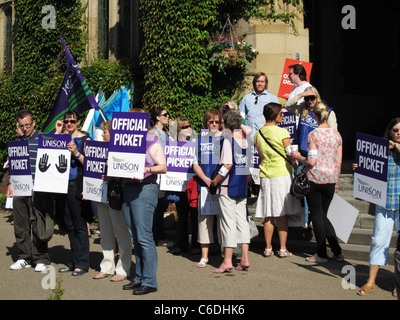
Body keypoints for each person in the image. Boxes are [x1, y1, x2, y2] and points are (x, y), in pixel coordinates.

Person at [352, 118, 400, 296]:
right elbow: (368, 175)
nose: (398, 133)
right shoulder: (380, 152)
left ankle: (398, 284)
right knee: (378, 241)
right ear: (389, 131)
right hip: (384, 204)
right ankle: (370, 281)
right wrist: (360, 168)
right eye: (395, 130)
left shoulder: (395, 149)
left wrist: (394, 146)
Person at [291, 102, 344, 263]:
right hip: (330, 178)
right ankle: (337, 251)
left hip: (315, 178)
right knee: (324, 216)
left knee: (317, 216)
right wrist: (336, 181)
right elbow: (339, 162)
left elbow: (312, 161)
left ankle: (322, 253)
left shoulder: (313, 135)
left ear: (314, 116)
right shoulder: (337, 135)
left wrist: (298, 156)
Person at [122, 108, 167, 295]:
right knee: (135, 238)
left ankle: (150, 280)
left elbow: (163, 167)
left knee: (144, 236)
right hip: (128, 189)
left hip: (145, 190)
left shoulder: (152, 142)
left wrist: (147, 170)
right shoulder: (124, 143)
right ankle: (139, 277)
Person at [254, 103, 301, 258]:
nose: (282, 115)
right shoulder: (282, 132)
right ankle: (282, 248)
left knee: (268, 213)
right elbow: (291, 154)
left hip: (266, 174)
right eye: (281, 113)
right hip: (281, 174)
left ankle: (267, 248)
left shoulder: (258, 133)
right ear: (274, 115)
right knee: (281, 214)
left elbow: (260, 154)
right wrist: (296, 161)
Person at [9, 109, 52, 272]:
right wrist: (10, 184)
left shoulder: (42, 139)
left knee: (38, 224)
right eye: (22, 125)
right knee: (20, 225)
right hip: (20, 188)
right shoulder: (17, 141)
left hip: (38, 188)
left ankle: (41, 258)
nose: (25, 128)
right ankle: (24, 257)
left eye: (27, 125)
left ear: (33, 123)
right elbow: (13, 166)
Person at [210, 110, 251, 273]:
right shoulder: (245, 141)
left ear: (225, 124)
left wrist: (215, 181)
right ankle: (245, 258)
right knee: (242, 222)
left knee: (228, 224)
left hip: (227, 187)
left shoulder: (228, 141)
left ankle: (227, 261)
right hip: (241, 186)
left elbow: (227, 165)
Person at [93, 120, 132, 282]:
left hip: (116, 195)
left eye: (106, 132)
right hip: (100, 194)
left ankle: (123, 269)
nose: (102, 134)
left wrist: (113, 175)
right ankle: (107, 267)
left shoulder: (123, 151)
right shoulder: (98, 150)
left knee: (121, 233)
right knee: (106, 233)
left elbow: (127, 172)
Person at [54, 110, 90, 276]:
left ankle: (82, 263)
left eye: (72, 121)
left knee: (79, 224)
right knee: (68, 224)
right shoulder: (60, 137)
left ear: (78, 122)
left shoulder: (85, 139)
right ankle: (73, 260)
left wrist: (76, 152)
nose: (69, 124)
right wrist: (57, 132)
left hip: (77, 185)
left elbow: (91, 164)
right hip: (61, 185)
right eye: (66, 121)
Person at [192, 109, 223, 268]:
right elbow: (195, 163)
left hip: (221, 185)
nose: (214, 124)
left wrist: (217, 180)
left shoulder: (225, 139)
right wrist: (204, 178)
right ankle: (204, 256)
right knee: (204, 221)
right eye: (211, 121)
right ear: (206, 122)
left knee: (222, 221)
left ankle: (225, 255)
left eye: (217, 122)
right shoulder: (199, 140)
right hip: (204, 185)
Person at [168, 117, 200, 255]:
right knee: (181, 216)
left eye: (190, 125)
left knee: (194, 215)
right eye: (186, 126)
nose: (189, 128)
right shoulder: (172, 145)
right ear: (179, 129)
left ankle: (196, 244)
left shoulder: (195, 143)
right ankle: (182, 244)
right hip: (179, 185)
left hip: (193, 184)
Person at [150, 107, 171, 247]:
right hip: (157, 171)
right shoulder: (153, 133)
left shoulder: (165, 133)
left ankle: (158, 235)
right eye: (165, 115)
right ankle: (157, 236)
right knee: (157, 205)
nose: (168, 116)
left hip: (165, 171)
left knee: (162, 204)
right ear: (157, 117)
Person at [239, 72, 279, 139]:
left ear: (266, 83)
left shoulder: (272, 98)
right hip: (249, 135)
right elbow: (241, 115)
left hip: (265, 135)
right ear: (254, 83)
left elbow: (277, 117)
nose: (260, 84)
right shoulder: (246, 98)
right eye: (258, 81)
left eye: (262, 82)